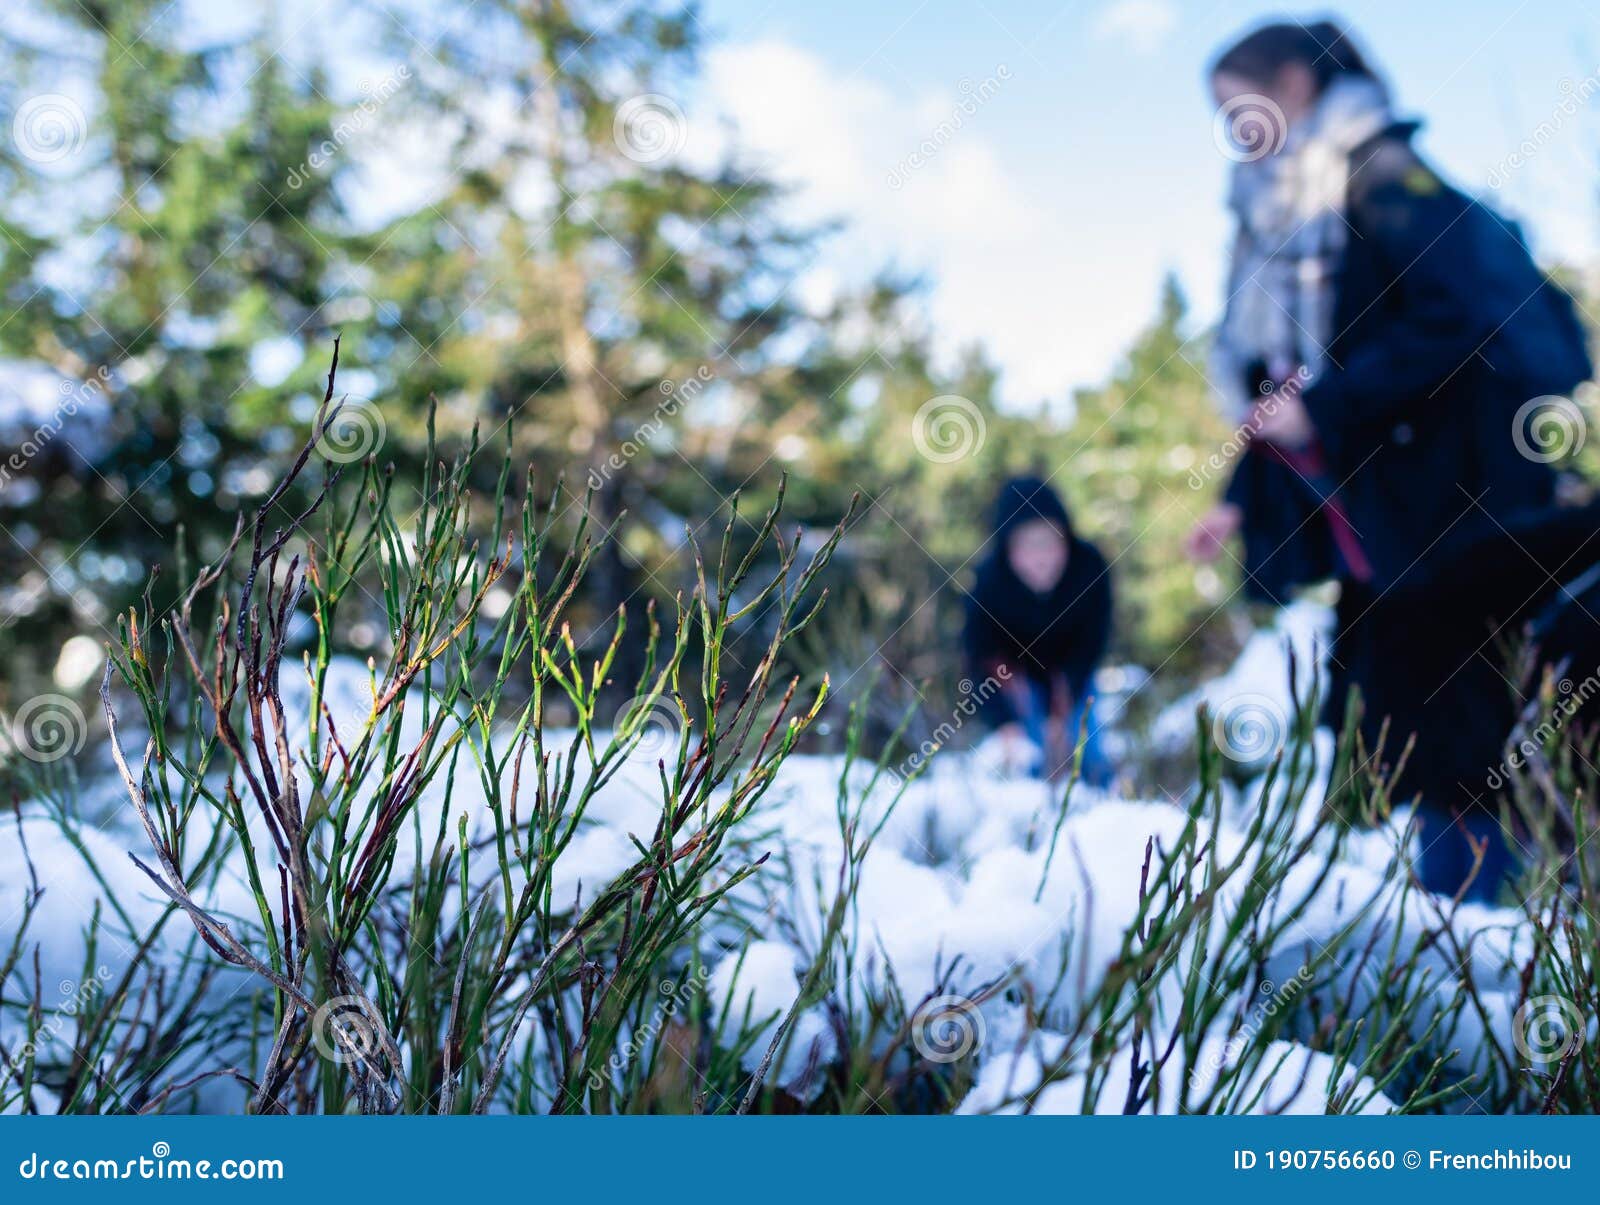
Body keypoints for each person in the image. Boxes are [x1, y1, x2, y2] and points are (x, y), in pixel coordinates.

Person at [1189, 20, 1593, 901]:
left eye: (1237, 105)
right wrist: (1239, 491)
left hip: (1453, 509)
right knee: (1410, 719)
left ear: (1293, 85)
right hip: (1391, 529)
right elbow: (1292, 380)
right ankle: (1462, 923)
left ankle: (1484, 930)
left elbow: (1456, 319)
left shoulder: (1382, 179)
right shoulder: (1294, 212)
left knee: (1458, 721)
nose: (1234, 131)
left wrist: (1328, 406)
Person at [964, 476, 1114, 786]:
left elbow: (1093, 641)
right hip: (1015, 680)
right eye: (1027, 545)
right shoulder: (988, 582)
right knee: (1029, 759)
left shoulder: (1089, 567)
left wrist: (1065, 698)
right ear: (1008, 548)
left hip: (1073, 672)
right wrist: (1004, 720)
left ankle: (1100, 793)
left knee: (1086, 749)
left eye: (1048, 542)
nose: (1040, 556)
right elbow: (980, 656)